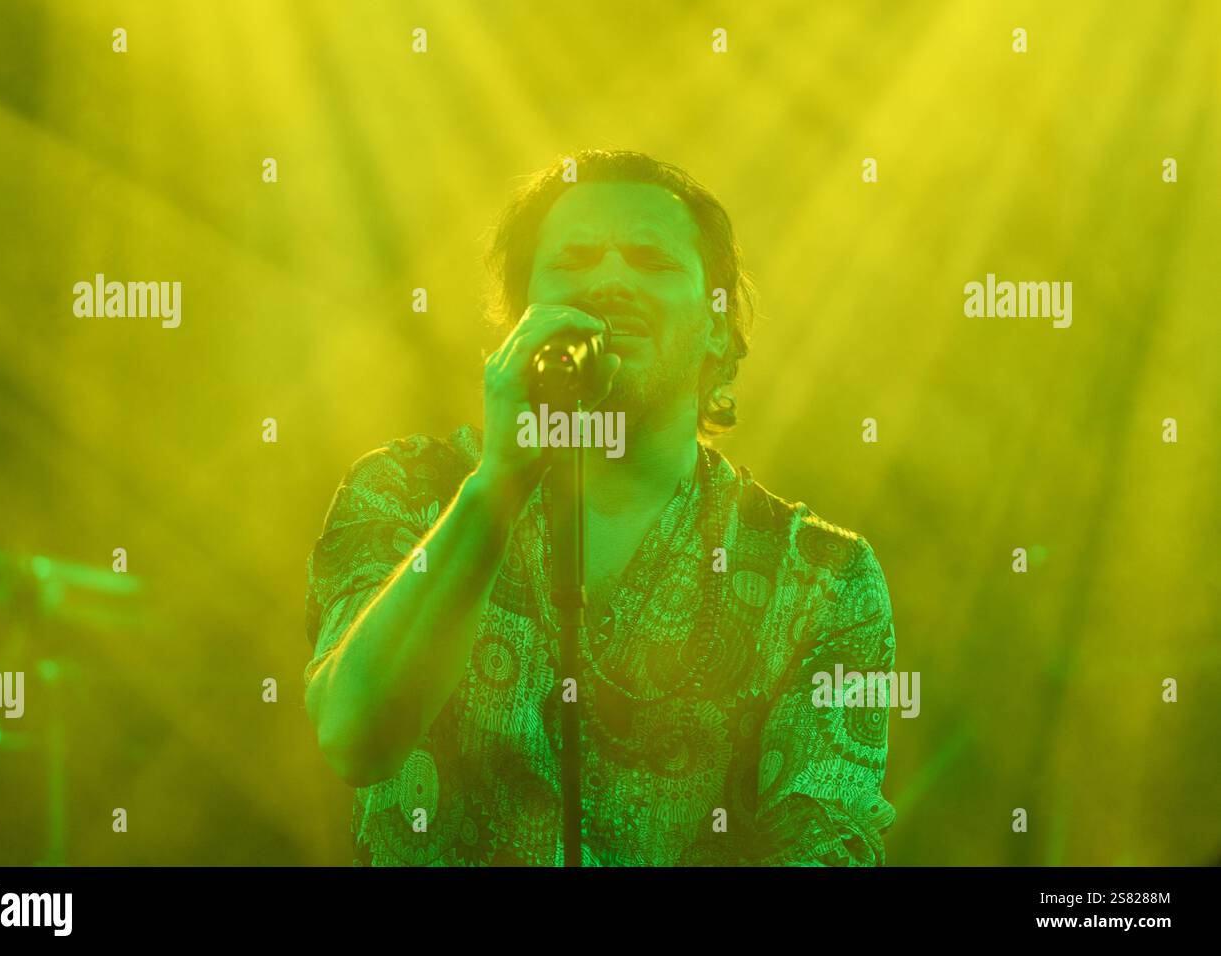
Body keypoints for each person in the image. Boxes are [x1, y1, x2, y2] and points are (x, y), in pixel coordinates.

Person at [303, 149, 898, 865]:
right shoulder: (404, 492)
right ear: (519, 317)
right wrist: (497, 487)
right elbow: (356, 737)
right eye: (577, 258)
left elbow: (823, 846)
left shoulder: (824, 578)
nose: (612, 279)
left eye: (652, 260)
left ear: (718, 325)